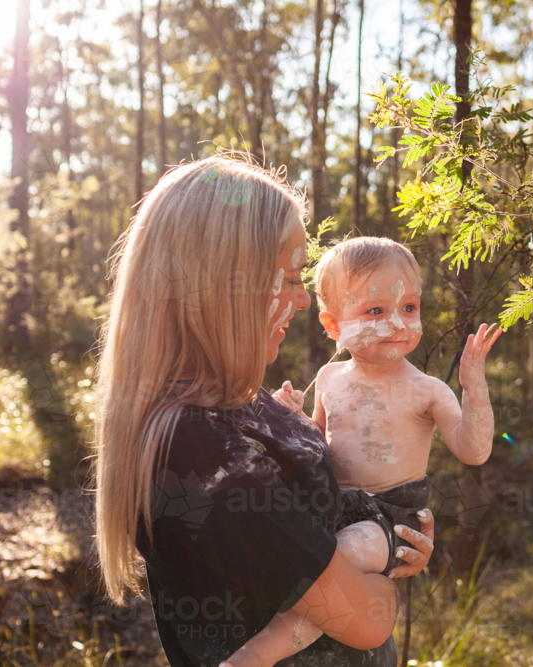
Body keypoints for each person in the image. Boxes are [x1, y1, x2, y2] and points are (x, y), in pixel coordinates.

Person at [93, 157, 435, 667]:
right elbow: (366, 619)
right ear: (226, 284)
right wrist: (378, 585)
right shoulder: (202, 446)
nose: (301, 303)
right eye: (292, 279)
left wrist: (391, 541)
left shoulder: (240, 402)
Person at [224, 238, 502, 667]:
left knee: (335, 564)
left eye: (409, 307)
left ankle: (255, 656)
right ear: (333, 325)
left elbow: (475, 449)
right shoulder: (330, 377)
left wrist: (474, 387)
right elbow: (315, 446)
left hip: (388, 517)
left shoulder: (426, 390)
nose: (396, 322)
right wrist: (291, 418)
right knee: (322, 561)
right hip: (333, 506)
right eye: (375, 311)